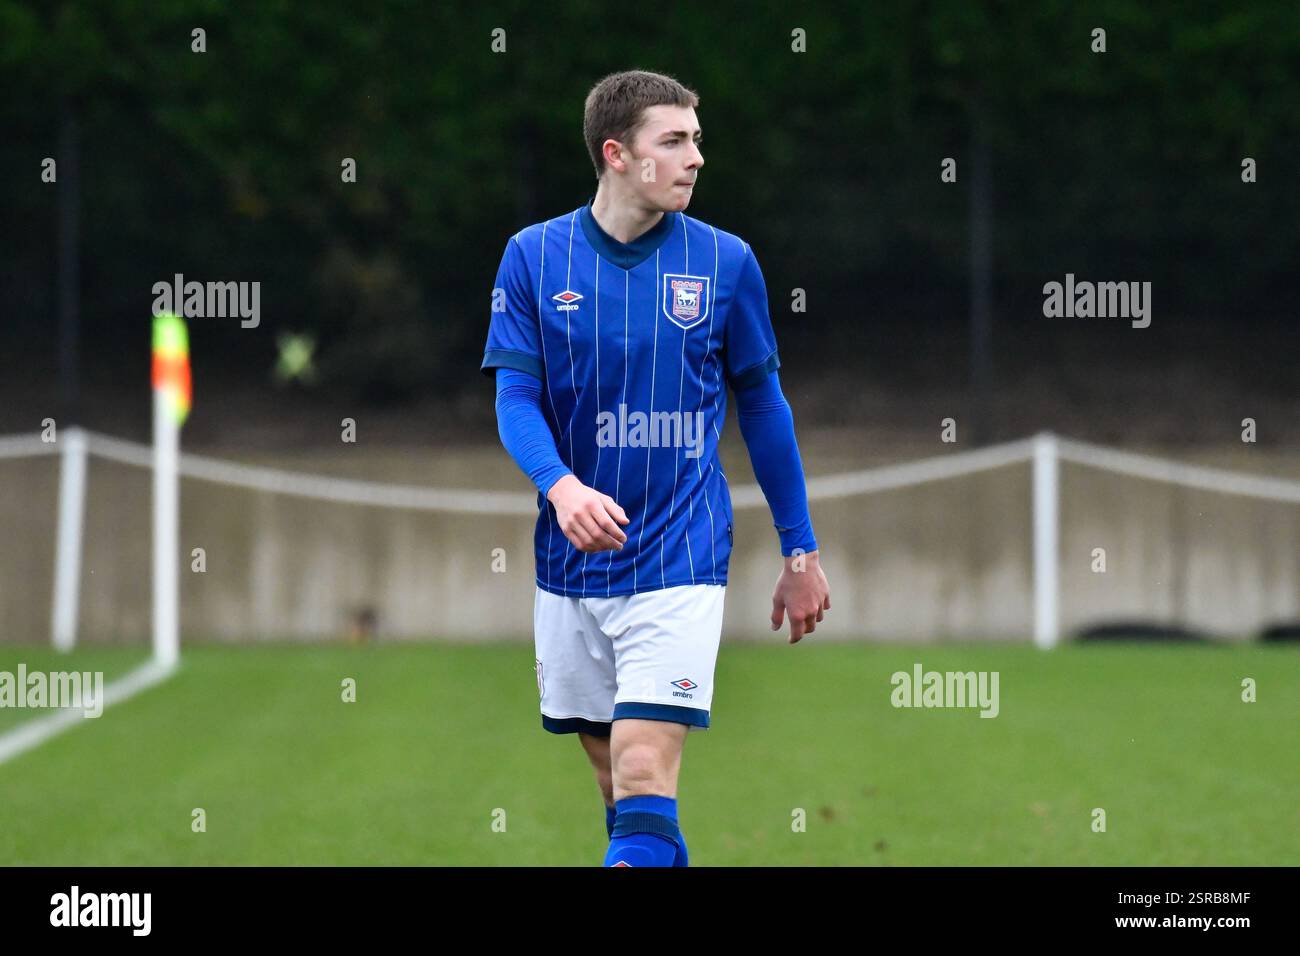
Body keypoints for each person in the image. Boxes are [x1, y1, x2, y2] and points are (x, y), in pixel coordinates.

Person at [482, 69, 831, 866]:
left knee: (643, 766)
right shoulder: (535, 258)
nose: (695, 158)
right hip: (570, 564)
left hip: (681, 555)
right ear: (617, 154)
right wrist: (562, 488)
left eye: (696, 140)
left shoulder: (726, 262)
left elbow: (765, 410)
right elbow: (514, 399)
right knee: (625, 798)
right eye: (673, 141)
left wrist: (799, 550)